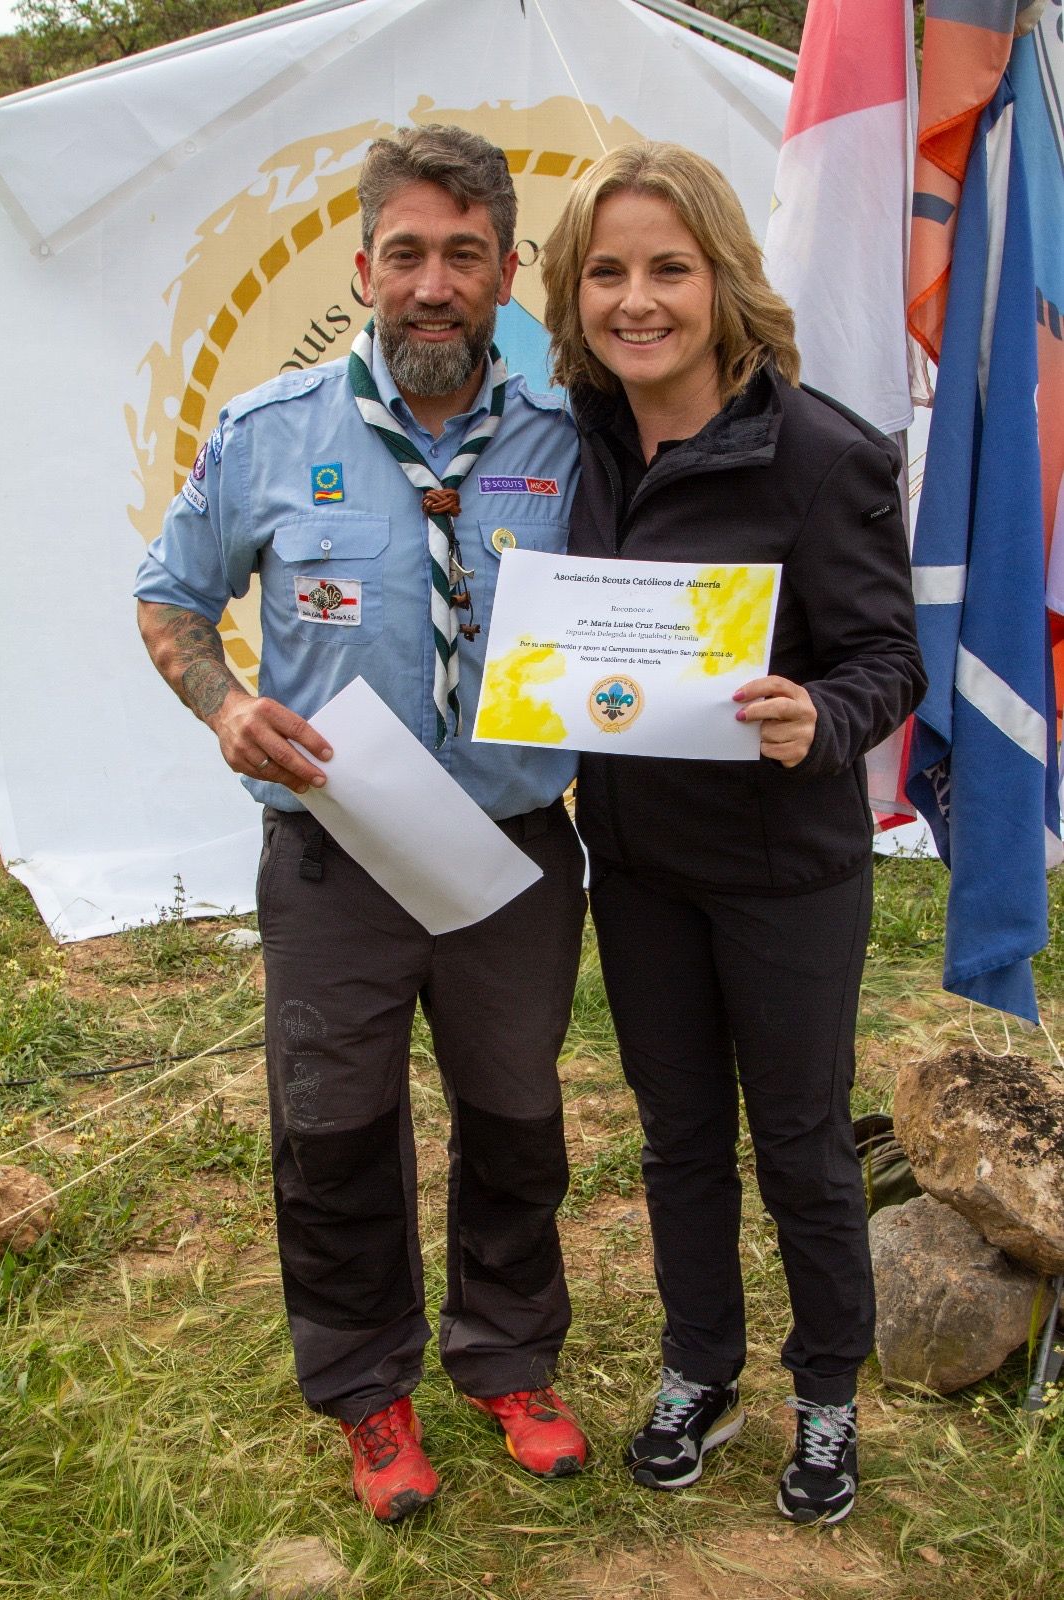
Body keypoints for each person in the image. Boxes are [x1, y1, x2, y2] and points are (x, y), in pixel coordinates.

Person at [135, 125, 589, 1523]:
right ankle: (368, 1387)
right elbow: (168, 597)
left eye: (464, 254)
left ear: (506, 270)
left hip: (513, 855)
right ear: (365, 266)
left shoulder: (578, 446)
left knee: (515, 1119)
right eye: (408, 253)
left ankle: (506, 1355)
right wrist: (221, 703)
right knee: (331, 1128)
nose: (434, 283)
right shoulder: (271, 435)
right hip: (333, 855)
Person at [540, 142, 926, 1525]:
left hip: (783, 876)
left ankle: (827, 1388)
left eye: (666, 269)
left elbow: (888, 656)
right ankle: (696, 1365)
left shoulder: (826, 454)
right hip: (636, 864)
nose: (635, 300)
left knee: (803, 1144)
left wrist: (815, 713)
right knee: (677, 1134)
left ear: (720, 278)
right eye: (606, 272)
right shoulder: (564, 437)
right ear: (571, 290)